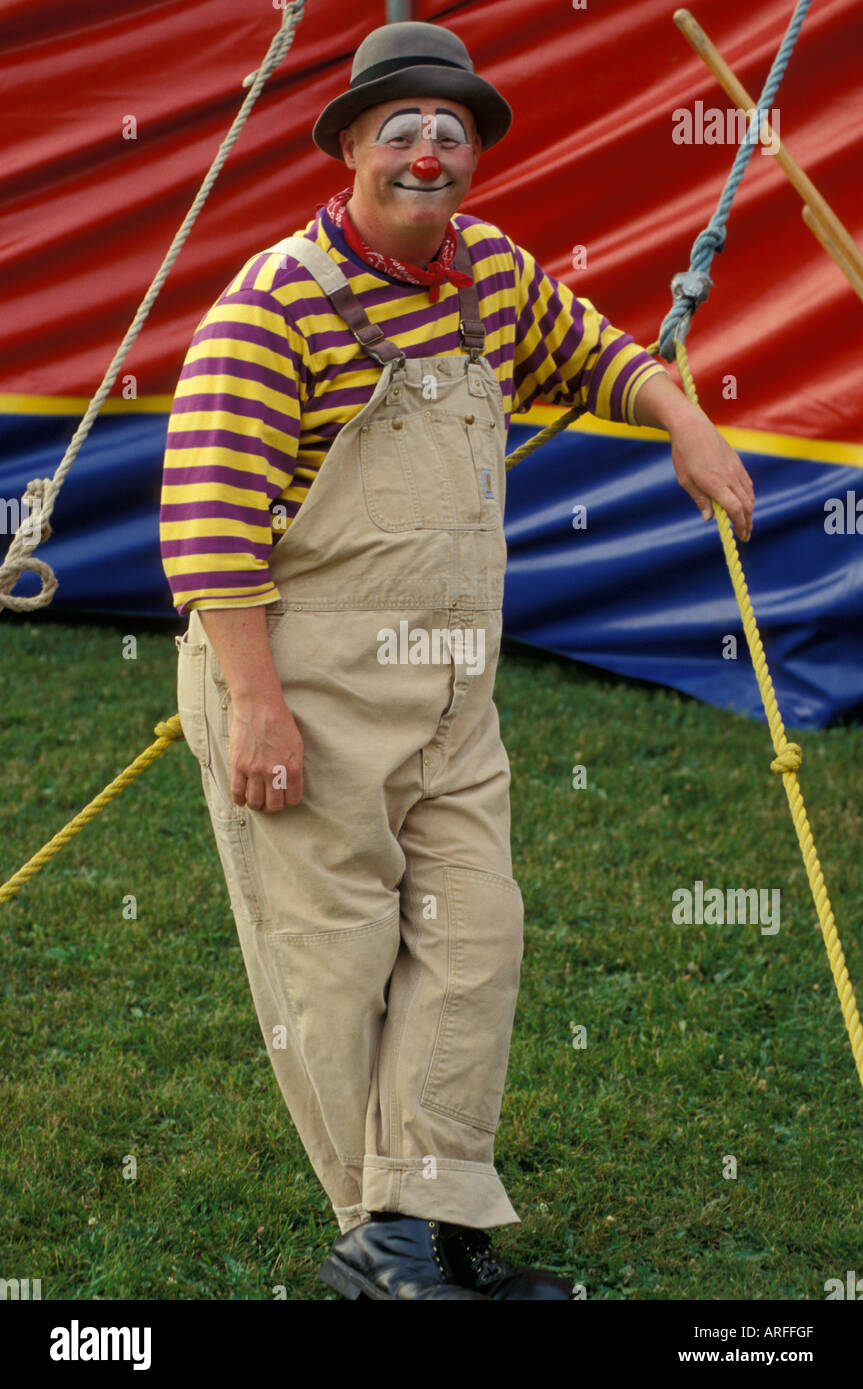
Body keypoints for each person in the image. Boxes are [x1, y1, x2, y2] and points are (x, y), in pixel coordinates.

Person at [159, 20, 754, 1301]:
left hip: (444, 694)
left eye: (453, 132)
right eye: (402, 130)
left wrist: (682, 423)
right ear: (353, 148)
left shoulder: (484, 267)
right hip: (298, 692)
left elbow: (590, 347)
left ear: (471, 156)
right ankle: (389, 1240)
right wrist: (257, 709)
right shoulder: (272, 306)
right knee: (335, 963)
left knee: (472, 940)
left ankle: (423, 1220)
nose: (428, 153)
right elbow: (206, 532)